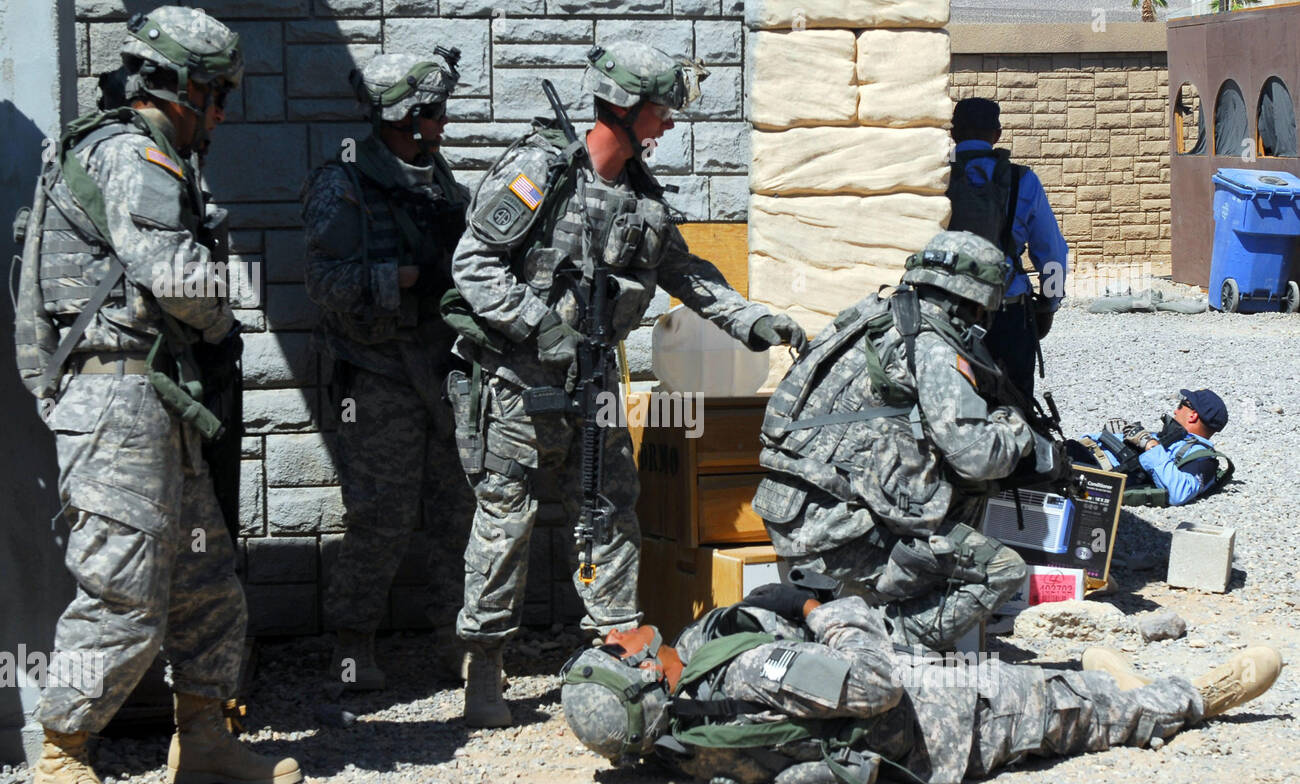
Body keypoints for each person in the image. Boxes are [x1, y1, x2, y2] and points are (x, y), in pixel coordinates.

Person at [448, 41, 806, 727]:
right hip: (519, 385)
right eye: (662, 110)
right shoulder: (540, 172)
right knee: (507, 521)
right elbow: (475, 263)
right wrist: (541, 328)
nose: (669, 123)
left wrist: (755, 321)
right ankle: (485, 666)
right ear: (625, 107)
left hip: (597, 382)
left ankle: (615, 643)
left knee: (611, 509)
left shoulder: (644, 200)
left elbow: (688, 276)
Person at [13, 6, 301, 784]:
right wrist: (223, 318)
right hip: (119, 403)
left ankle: (203, 734)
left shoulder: (134, 154)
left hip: (154, 399)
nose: (222, 115)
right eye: (216, 96)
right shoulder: (135, 156)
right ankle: (61, 756)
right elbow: (175, 276)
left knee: (206, 581)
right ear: (179, 89)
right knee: (120, 591)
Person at [560, 584, 1282, 784]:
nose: (614, 635)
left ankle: (1111, 679)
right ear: (644, 672)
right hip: (957, 716)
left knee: (1062, 681)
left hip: (931, 708)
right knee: (1079, 710)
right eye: (611, 650)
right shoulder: (748, 677)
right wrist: (824, 608)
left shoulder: (672, 741)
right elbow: (871, 685)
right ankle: (1189, 698)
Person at [753, 230, 1063, 653]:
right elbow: (977, 458)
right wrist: (1018, 431)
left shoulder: (871, 315)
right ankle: (886, 640)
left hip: (789, 502)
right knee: (1002, 569)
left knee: (949, 497)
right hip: (835, 527)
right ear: (972, 298)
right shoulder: (932, 346)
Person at [301, 49, 474, 691]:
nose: (444, 123)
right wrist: (399, 279)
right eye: (434, 113)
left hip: (441, 369)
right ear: (405, 116)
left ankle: (456, 640)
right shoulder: (343, 183)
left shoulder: (437, 179)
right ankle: (353, 647)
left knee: (456, 511)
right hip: (375, 375)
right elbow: (322, 281)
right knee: (381, 515)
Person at [947, 97, 1069, 398]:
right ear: (997, 134)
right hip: (1009, 310)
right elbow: (1053, 254)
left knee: (951, 405)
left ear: (953, 133)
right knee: (1016, 407)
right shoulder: (1022, 179)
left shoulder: (935, 178)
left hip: (947, 310)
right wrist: (1050, 303)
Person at [1068, 388, 1233, 507]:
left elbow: (1180, 493)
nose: (1176, 411)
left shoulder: (1203, 459)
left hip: (1093, 470)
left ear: (1193, 415)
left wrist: (1150, 445)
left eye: (1181, 405)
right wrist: (1111, 434)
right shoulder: (1173, 436)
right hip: (1081, 451)